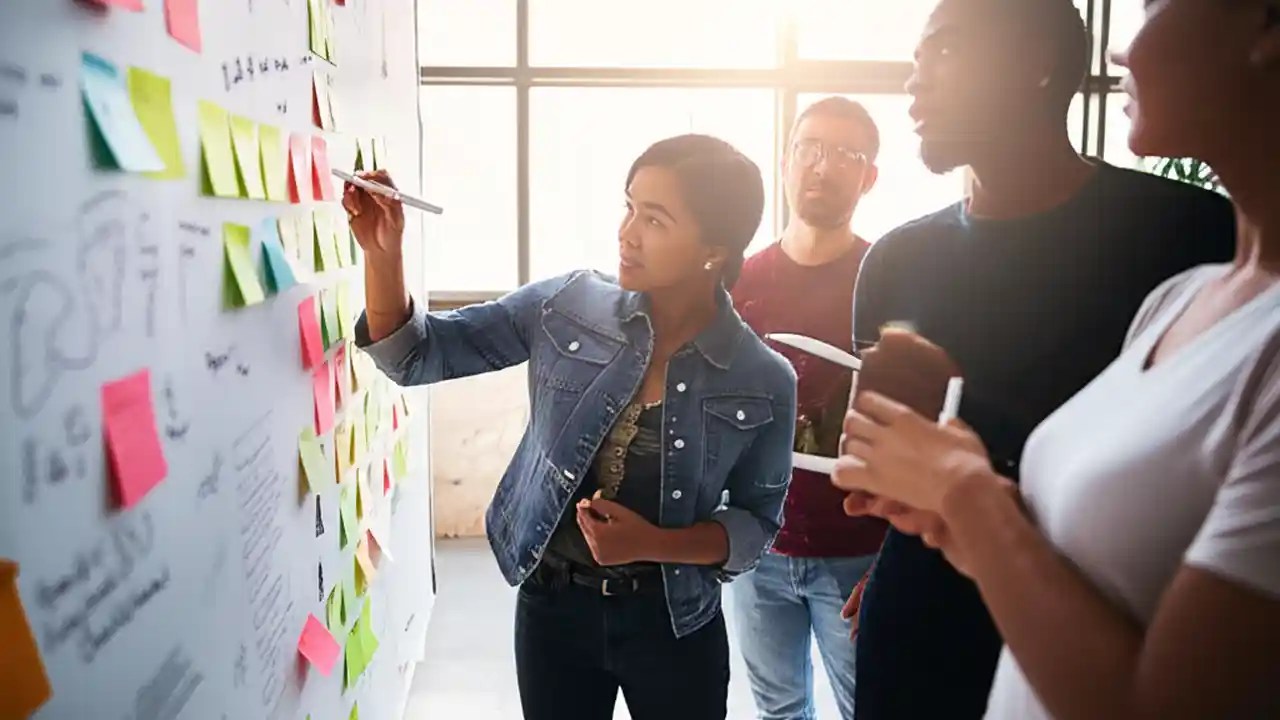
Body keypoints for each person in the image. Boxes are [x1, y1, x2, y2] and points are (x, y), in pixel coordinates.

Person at [834, 0, 1280, 716]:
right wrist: (914, 511)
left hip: (1085, 634)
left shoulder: (1189, 232)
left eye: (945, 53)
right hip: (922, 618)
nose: (915, 83)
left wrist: (963, 486)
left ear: (1037, 66)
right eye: (916, 59)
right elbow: (900, 471)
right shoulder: (898, 260)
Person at [344, 134, 798, 720]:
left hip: (675, 622)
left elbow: (758, 523)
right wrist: (384, 254)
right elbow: (414, 355)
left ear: (714, 248)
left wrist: (651, 544)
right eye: (629, 205)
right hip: (552, 608)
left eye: (654, 219)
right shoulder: (567, 304)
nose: (627, 231)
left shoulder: (763, 377)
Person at [729, 96, 884, 720]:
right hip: (757, 550)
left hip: (858, 549)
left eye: (846, 154)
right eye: (809, 148)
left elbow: (915, 426)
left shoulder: (887, 280)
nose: (823, 166)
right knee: (778, 711)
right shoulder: (737, 280)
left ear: (869, 176)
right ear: (786, 159)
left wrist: (895, 564)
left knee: (868, 706)